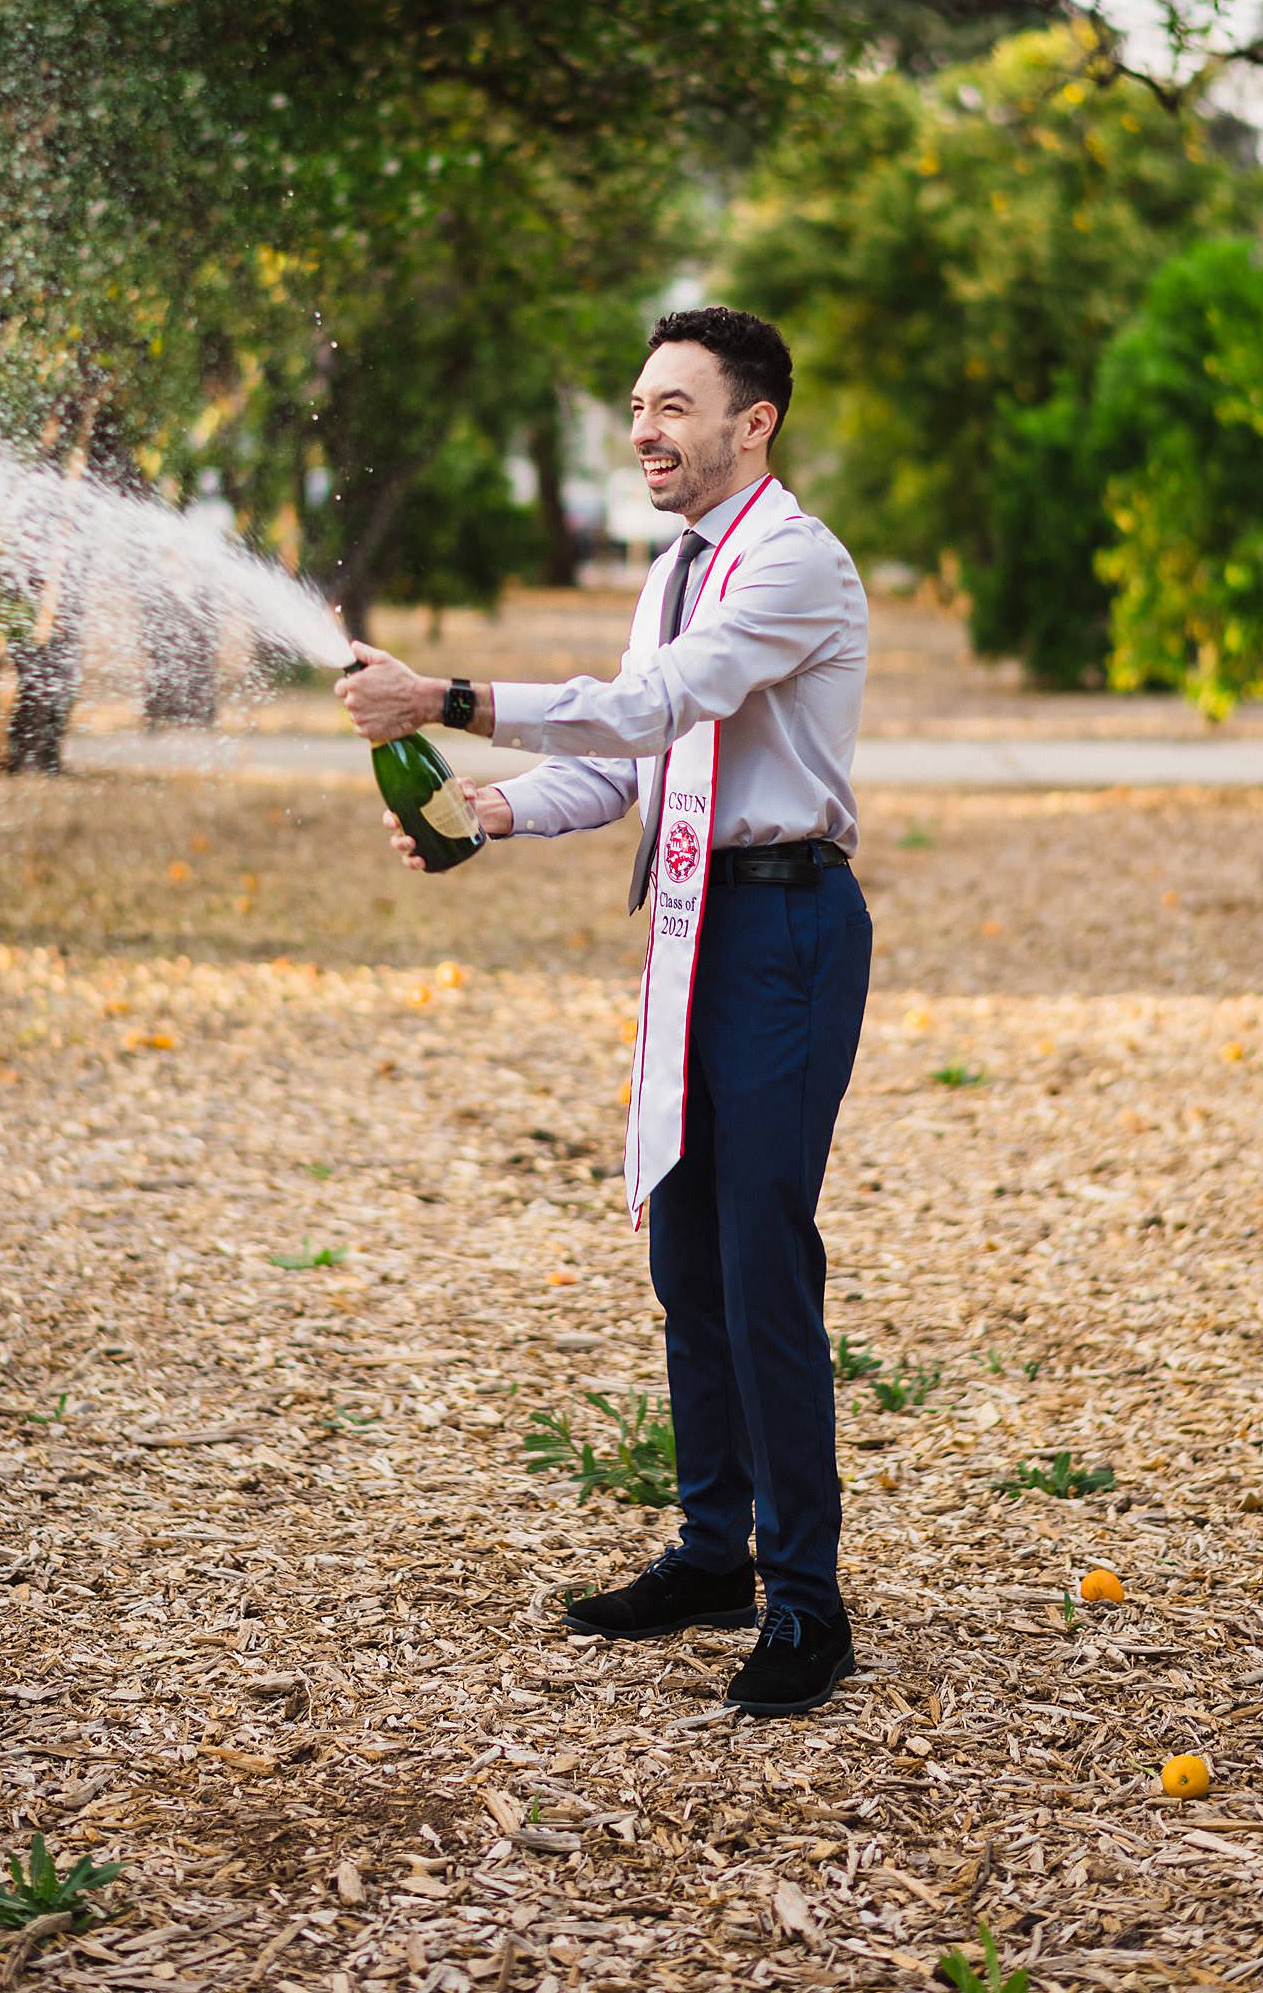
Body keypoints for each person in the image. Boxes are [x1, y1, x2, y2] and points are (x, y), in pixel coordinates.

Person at [337, 307, 871, 1717]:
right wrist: (487, 811)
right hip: (696, 918)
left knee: (762, 1263)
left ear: (752, 423)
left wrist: (447, 696)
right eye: (638, 405)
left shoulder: (793, 563)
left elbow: (657, 704)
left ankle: (807, 1606)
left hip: (787, 930)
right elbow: (639, 766)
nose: (646, 429)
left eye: (676, 406)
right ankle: (713, 1554)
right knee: (684, 1251)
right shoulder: (676, 568)